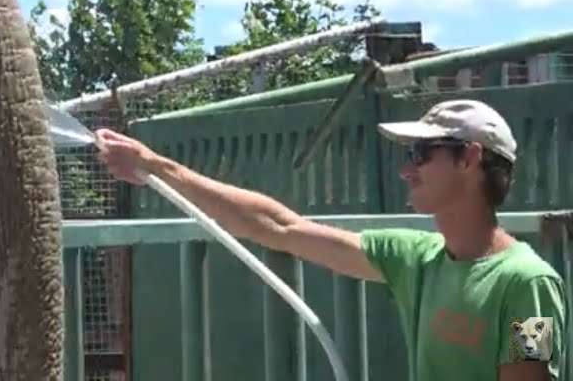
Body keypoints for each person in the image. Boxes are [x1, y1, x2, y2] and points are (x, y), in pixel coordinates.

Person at [94, 98, 566, 380]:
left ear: (469, 159)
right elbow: (279, 227)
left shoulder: (529, 285)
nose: (407, 169)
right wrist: (156, 166)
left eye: (422, 153)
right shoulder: (416, 258)